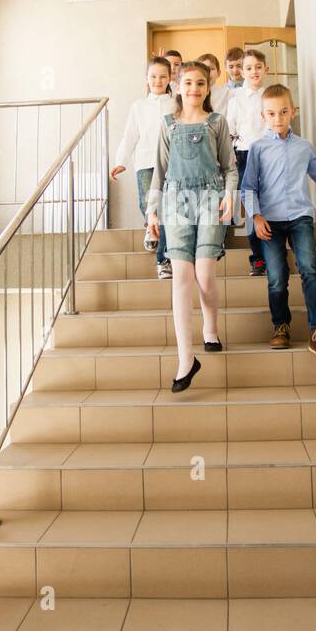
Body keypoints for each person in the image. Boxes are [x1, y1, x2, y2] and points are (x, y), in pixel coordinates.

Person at [145, 62, 239, 392]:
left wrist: (230, 197)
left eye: (200, 83)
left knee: (204, 273)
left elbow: (229, 167)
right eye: (188, 83)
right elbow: (159, 171)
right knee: (181, 276)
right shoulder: (167, 124)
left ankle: (210, 327)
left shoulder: (217, 122)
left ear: (208, 87)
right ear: (177, 85)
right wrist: (152, 213)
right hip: (175, 202)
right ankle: (186, 358)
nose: (194, 89)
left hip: (210, 200)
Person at [240, 84, 316, 359]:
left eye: (283, 112)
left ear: (293, 112)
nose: (278, 118)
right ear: (263, 116)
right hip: (270, 222)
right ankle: (281, 326)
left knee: (310, 269)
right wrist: (256, 216)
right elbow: (248, 187)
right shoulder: (258, 148)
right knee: (276, 278)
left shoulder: (304, 147)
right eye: (272, 113)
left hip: (300, 217)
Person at [110, 56, 175, 278]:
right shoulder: (139, 106)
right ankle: (150, 227)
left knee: (164, 211)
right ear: (146, 78)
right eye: (153, 76)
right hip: (145, 162)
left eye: (163, 76)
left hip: (171, 162)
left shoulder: (176, 104)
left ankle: (163, 261)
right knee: (147, 204)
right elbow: (130, 136)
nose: (158, 80)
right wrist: (120, 161)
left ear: (170, 78)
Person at [222, 49, 269, 275]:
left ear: (265, 69)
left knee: (271, 205)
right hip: (244, 156)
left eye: (258, 67)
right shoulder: (236, 98)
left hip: (270, 155)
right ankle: (258, 258)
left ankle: (275, 253)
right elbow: (230, 129)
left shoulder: (270, 94)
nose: (253, 72)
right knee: (252, 208)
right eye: (248, 68)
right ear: (242, 71)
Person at [210, 46, 244, 114]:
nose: (235, 70)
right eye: (231, 67)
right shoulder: (221, 92)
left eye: (239, 66)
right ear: (225, 68)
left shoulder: (251, 88)